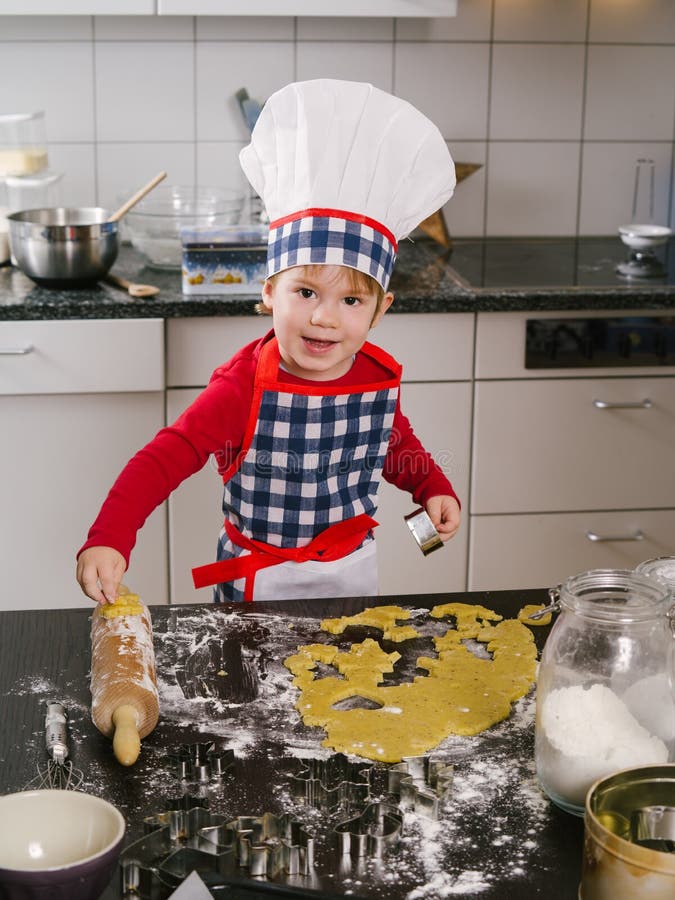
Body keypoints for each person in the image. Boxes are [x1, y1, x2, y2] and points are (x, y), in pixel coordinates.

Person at [76, 79, 460, 606]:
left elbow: (393, 445)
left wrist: (431, 487)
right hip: (258, 584)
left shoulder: (375, 376)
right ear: (269, 293)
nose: (325, 317)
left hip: (352, 574)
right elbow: (164, 458)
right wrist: (110, 537)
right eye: (305, 291)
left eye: (351, 301)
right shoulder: (243, 385)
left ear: (379, 312)